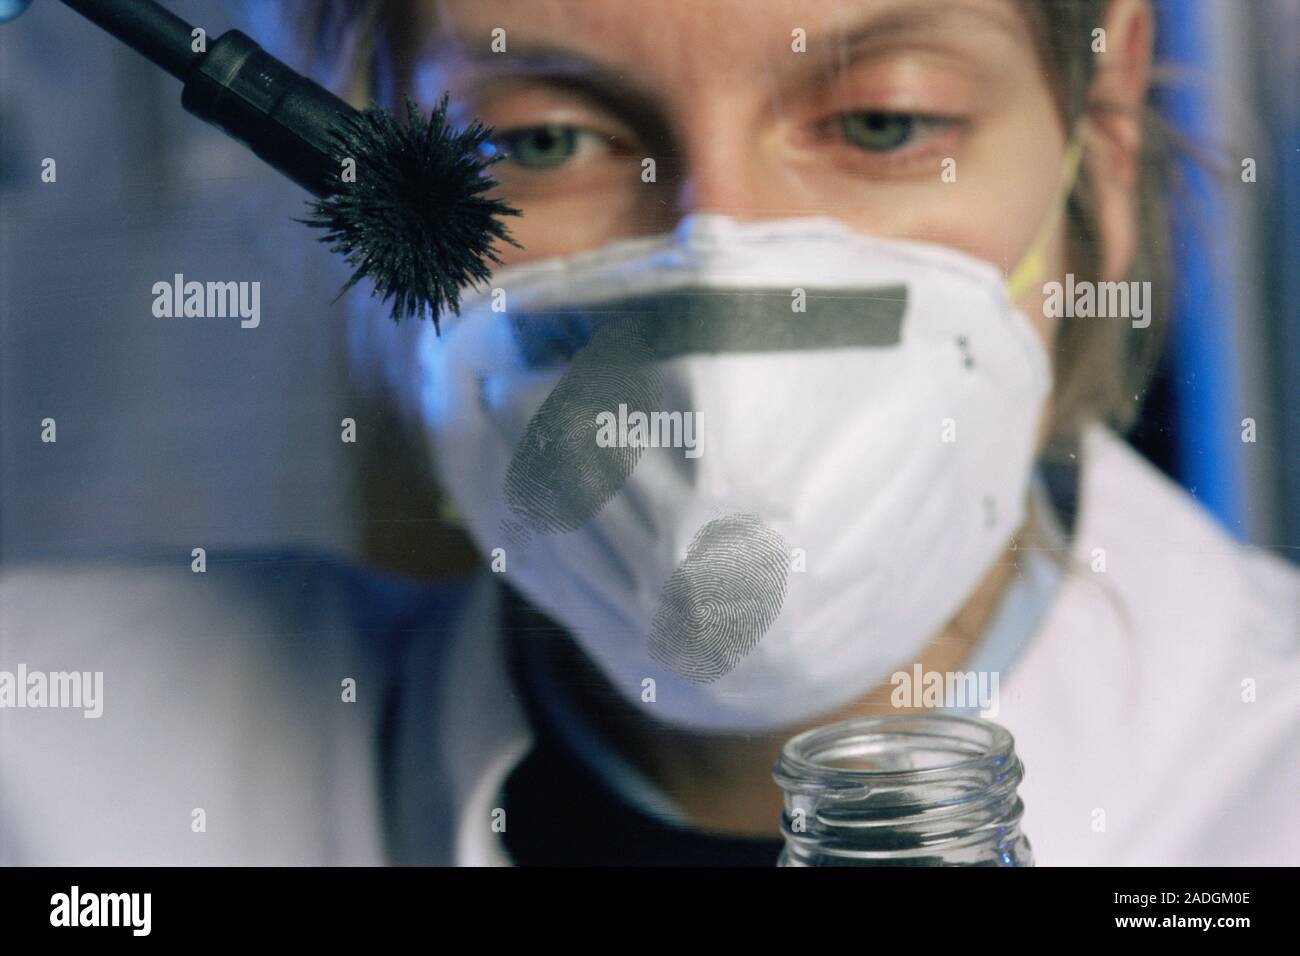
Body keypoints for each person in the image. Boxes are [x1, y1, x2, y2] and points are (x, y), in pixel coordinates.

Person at [1, 0, 1296, 866]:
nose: (721, 273)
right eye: (545, 140)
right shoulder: (56, 768)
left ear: (1102, 131)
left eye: (885, 124)